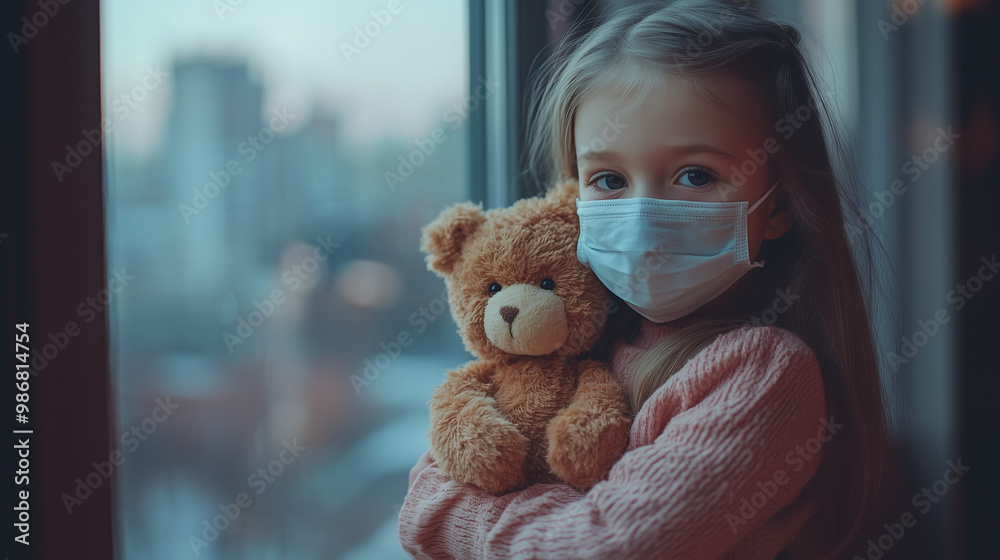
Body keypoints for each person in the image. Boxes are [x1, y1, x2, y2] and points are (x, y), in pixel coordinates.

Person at [399, 1, 904, 558]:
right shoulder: (577, 343)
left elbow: (601, 548)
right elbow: (452, 460)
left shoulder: (766, 372)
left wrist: (447, 512)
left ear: (779, 205)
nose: (642, 219)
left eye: (696, 175)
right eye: (609, 179)